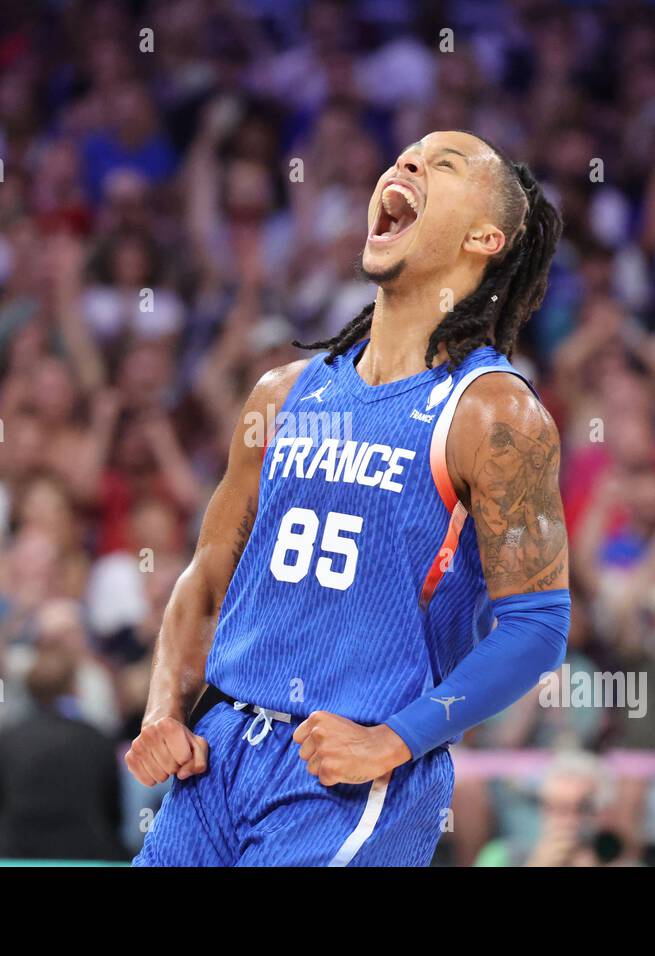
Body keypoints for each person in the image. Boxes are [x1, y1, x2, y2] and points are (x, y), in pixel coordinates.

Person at [126, 131, 570, 866]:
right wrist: (161, 708)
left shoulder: (491, 413)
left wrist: (395, 739)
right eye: (403, 156)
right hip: (219, 754)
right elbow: (206, 575)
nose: (406, 164)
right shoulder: (284, 393)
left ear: (486, 237)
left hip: (351, 773)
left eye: (444, 164)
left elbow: (538, 627)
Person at [0, 641, 125, 861]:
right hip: (86, 855)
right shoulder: (97, 739)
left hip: (15, 854)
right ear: (74, 687)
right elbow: (113, 813)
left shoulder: (9, 738)